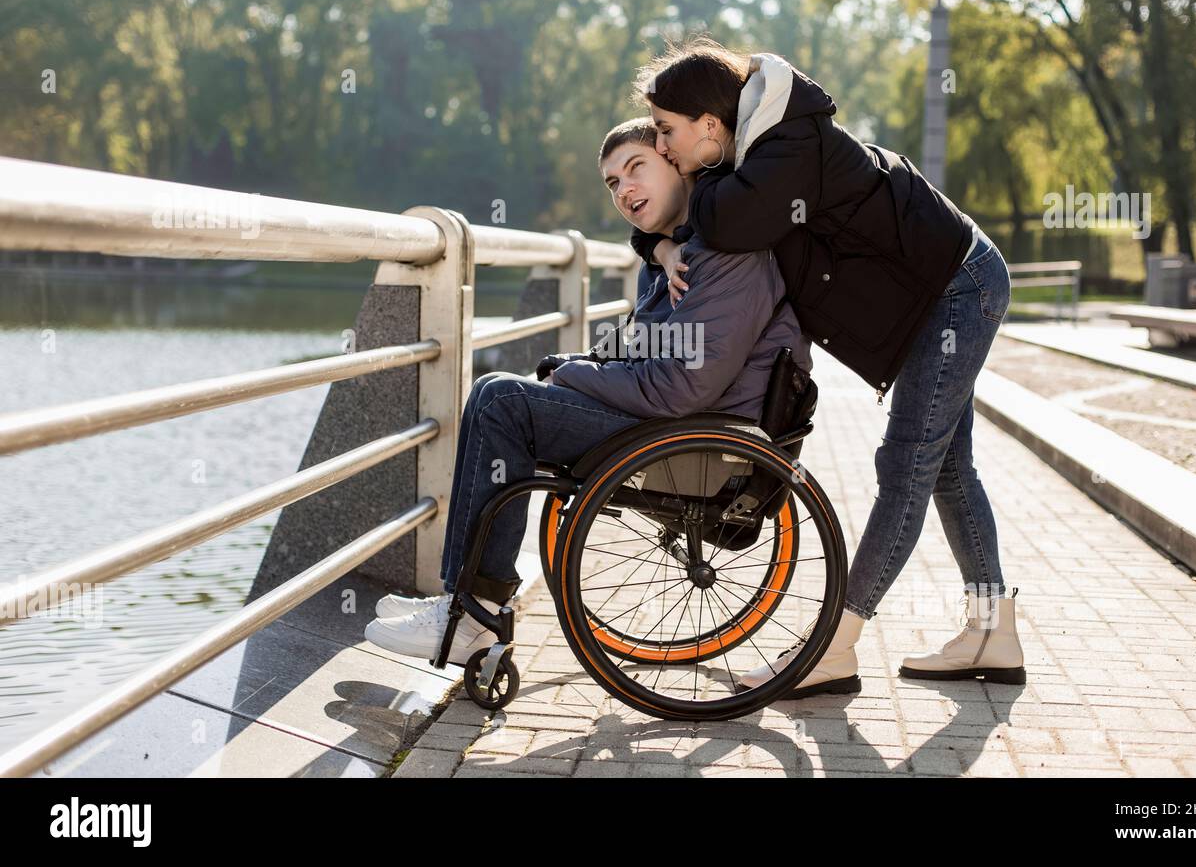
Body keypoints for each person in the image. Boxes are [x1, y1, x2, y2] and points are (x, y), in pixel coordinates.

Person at [627, 38, 1025, 691]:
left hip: (958, 285)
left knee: (907, 466)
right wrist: (661, 244)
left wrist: (677, 220)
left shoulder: (786, 145)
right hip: (932, 294)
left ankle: (833, 647)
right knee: (948, 469)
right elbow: (672, 213)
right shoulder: (747, 156)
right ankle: (993, 631)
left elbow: (724, 219)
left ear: (708, 123)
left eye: (667, 132)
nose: (664, 149)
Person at [363, 118, 825, 673]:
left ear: (677, 162)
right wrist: (579, 363)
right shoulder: (676, 253)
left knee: (502, 403)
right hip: (679, 422)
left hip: (705, 443)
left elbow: (682, 383)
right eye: (612, 183)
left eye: (637, 169)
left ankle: (473, 613)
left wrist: (571, 375)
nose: (625, 190)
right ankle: (463, 600)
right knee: (494, 392)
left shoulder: (725, 252)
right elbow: (646, 353)